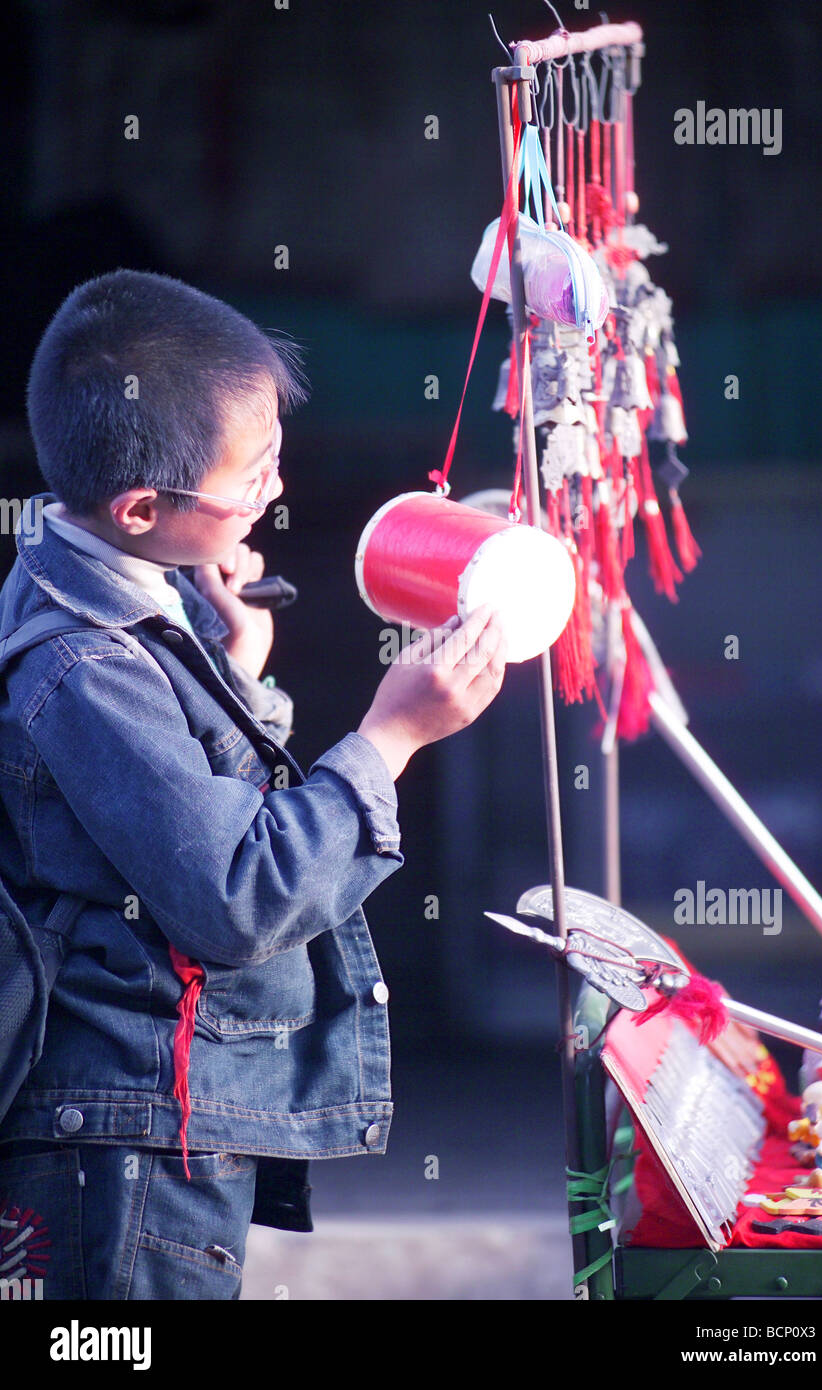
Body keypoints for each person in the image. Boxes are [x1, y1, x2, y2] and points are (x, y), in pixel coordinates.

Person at [0, 268, 506, 1300]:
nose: (275, 488)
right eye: (256, 469)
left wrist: (235, 671)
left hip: (141, 1125)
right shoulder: (84, 667)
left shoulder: (113, 594)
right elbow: (237, 894)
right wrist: (390, 736)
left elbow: (175, 809)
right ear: (143, 506)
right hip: (124, 1141)